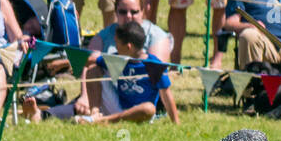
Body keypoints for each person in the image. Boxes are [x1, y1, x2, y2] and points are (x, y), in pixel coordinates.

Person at [26, 19, 179, 122]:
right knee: (93, 70)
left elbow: (167, 97)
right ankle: (92, 113)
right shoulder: (118, 58)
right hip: (118, 104)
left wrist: (176, 123)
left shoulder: (154, 65)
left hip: (139, 115)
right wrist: (64, 62)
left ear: (129, 46)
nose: (115, 46)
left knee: (149, 108)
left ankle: (101, 121)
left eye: (117, 43)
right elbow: (92, 59)